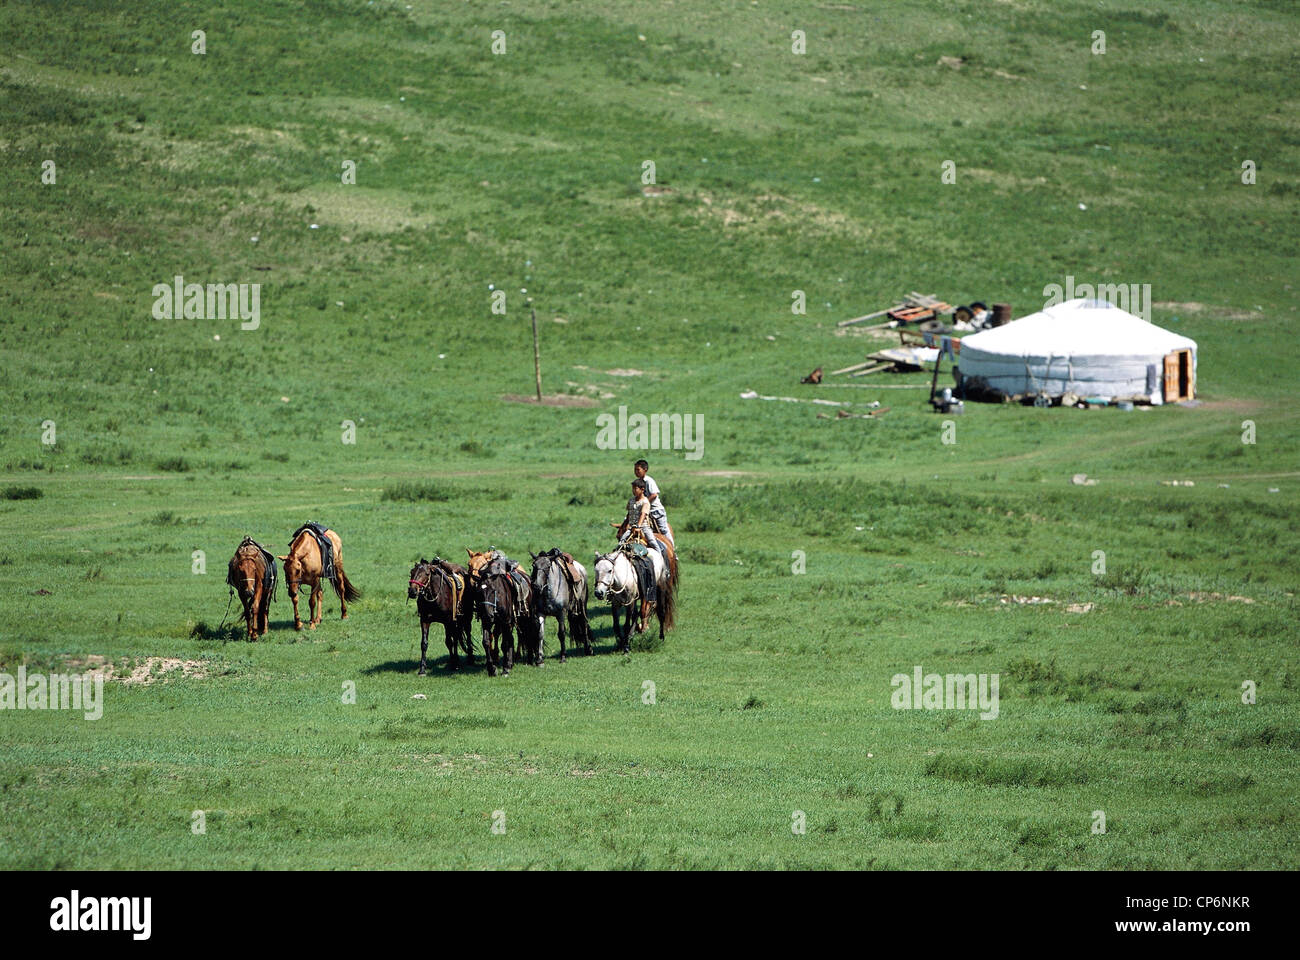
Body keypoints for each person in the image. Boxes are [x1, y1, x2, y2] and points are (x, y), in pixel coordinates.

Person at [618, 478, 667, 564]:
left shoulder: (645, 501)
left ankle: (661, 560)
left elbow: (643, 514)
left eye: (635, 489)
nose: (633, 491)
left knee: (652, 542)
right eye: (632, 489)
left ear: (642, 489)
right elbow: (629, 513)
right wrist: (627, 524)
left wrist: (639, 526)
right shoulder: (631, 500)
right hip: (632, 527)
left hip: (643, 527)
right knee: (622, 541)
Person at [634, 459, 673, 546]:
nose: (636, 472)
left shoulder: (648, 481)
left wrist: (645, 503)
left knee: (663, 530)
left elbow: (654, 494)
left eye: (638, 470)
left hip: (656, 510)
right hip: (646, 512)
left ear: (645, 470)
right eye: (635, 470)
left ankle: (672, 550)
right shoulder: (638, 482)